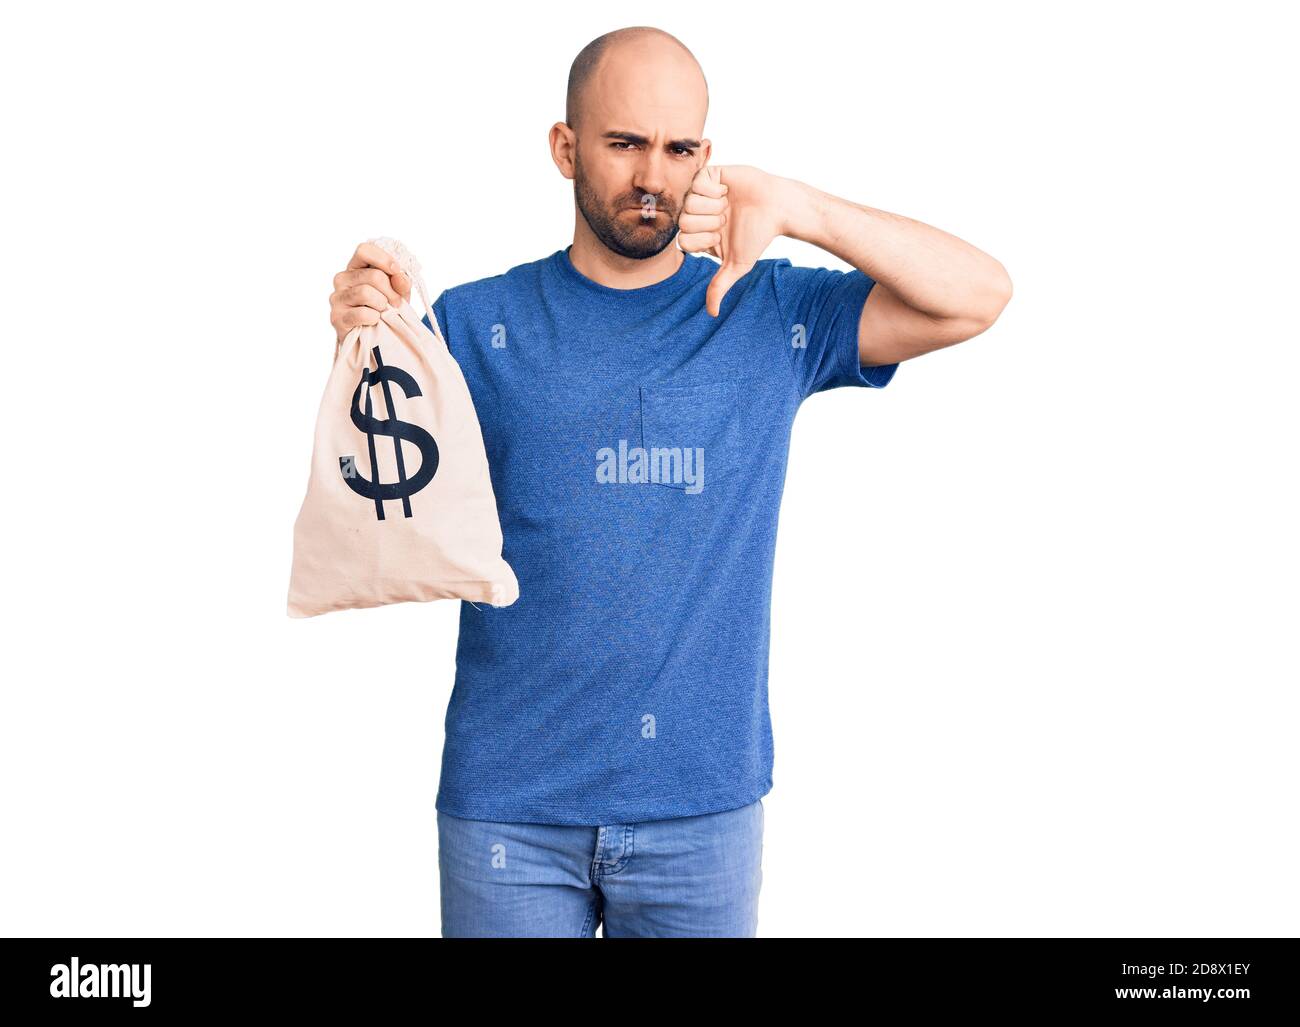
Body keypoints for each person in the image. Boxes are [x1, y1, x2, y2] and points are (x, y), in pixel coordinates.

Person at [327, 26, 1011, 937]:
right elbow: (378, 495)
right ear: (564, 148)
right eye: (624, 142)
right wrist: (362, 342)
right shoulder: (477, 322)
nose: (654, 174)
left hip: (702, 812)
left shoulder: (767, 312)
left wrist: (799, 206)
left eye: (679, 147)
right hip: (509, 811)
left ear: (707, 158)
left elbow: (978, 295)